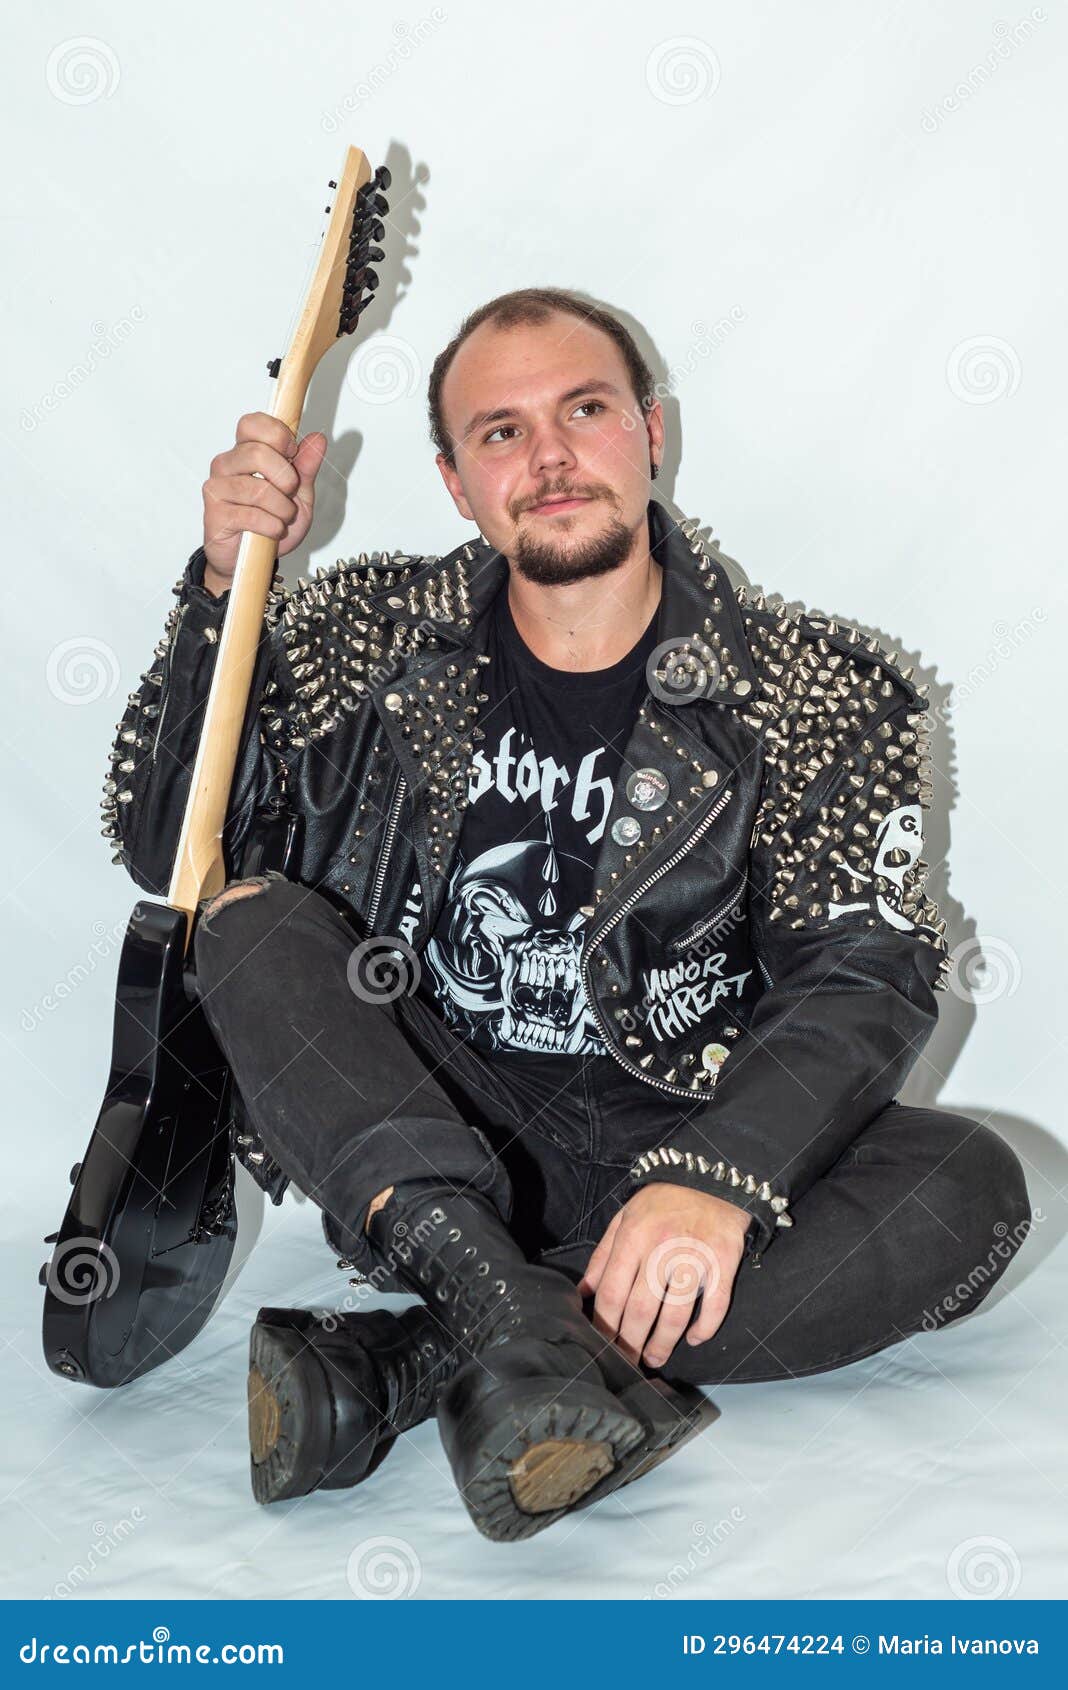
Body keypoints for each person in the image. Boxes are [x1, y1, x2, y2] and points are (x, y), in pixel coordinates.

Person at [103, 288, 1032, 1543]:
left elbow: (866, 972)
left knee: (975, 1188)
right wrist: (227, 583)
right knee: (249, 921)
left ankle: (427, 1353)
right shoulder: (359, 641)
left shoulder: (817, 688)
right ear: (453, 482)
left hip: (683, 1156)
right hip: (428, 1148)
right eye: (499, 432)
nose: (549, 457)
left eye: (583, 410)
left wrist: (717, 1175)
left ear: (650, 431)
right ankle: (483, 1288)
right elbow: (172, 848)